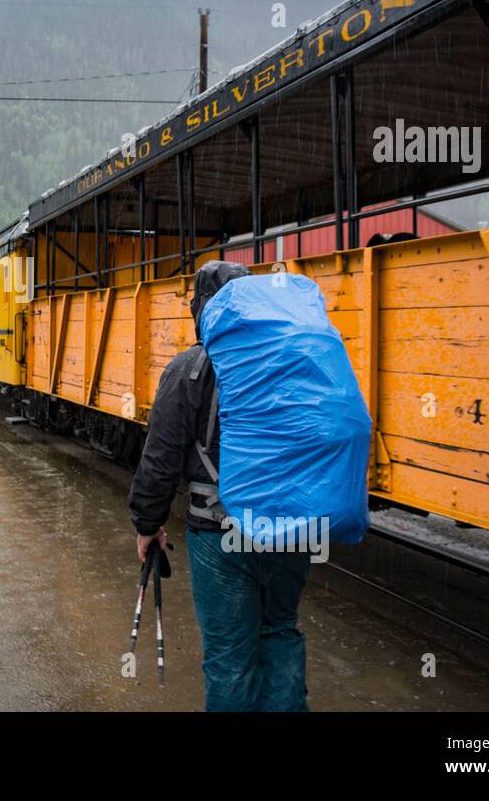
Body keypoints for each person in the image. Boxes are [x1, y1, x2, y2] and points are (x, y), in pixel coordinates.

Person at [127, 261, 313, 712]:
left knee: (231, 658)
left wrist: (147, 524)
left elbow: (160, 460)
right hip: (293, 527)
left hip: (221, 532)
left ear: (199, 311)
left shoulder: (189, 369)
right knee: (280, 634)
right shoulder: (290, 358)